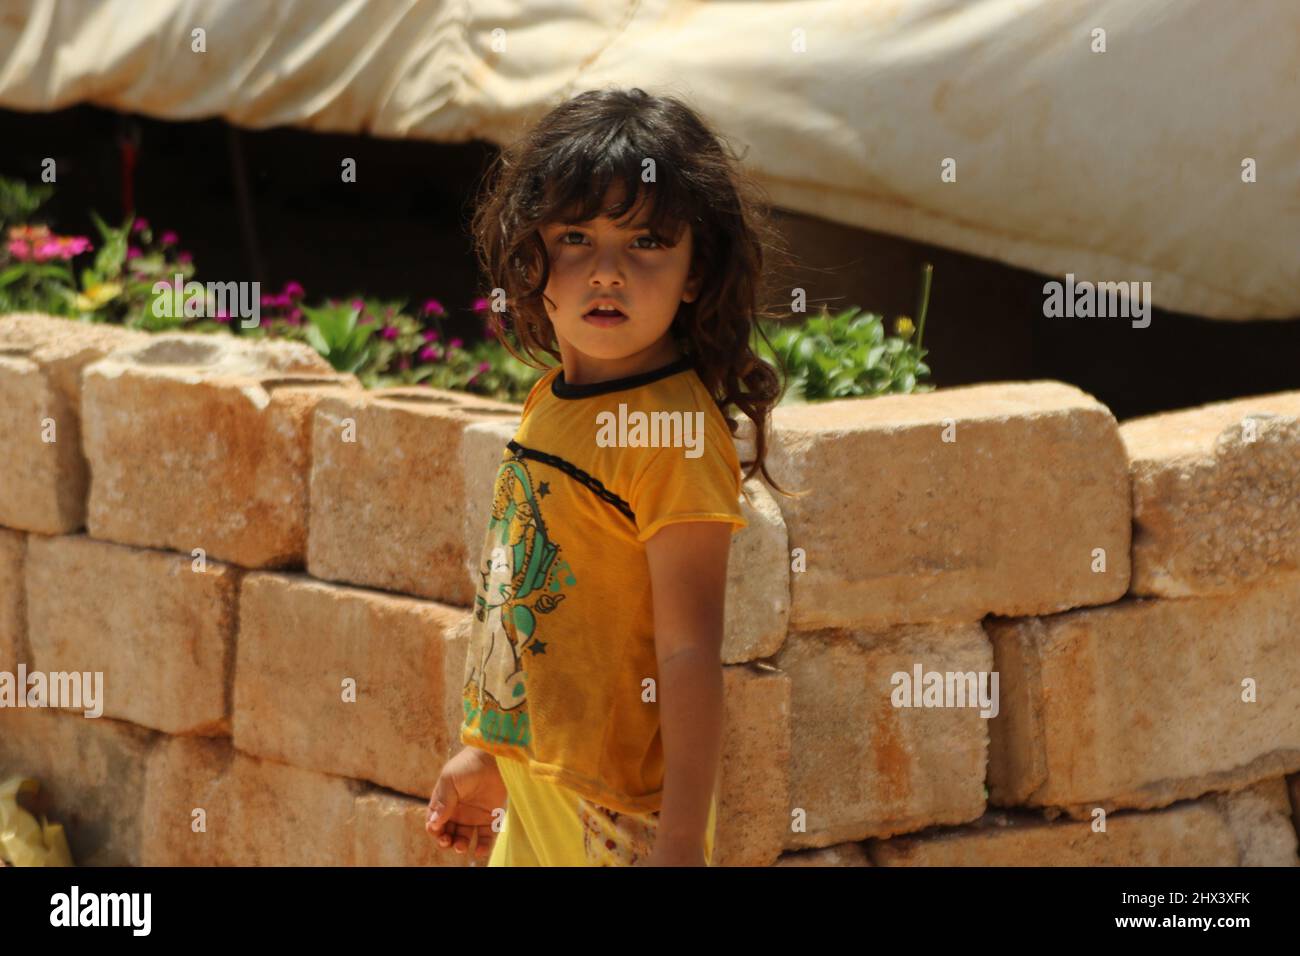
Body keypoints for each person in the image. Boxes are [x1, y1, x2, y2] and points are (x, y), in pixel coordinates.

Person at [427, 86, 798, 866]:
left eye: (647, 244)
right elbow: (540, 610)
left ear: (697, 272)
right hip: (536, 786)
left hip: (613, 816)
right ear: (529, 256)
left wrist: (681, 846)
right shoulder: (550, 403)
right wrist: (492, 758)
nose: (607, 273)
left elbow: (690, 655)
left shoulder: (675, 433)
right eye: (574, 237)